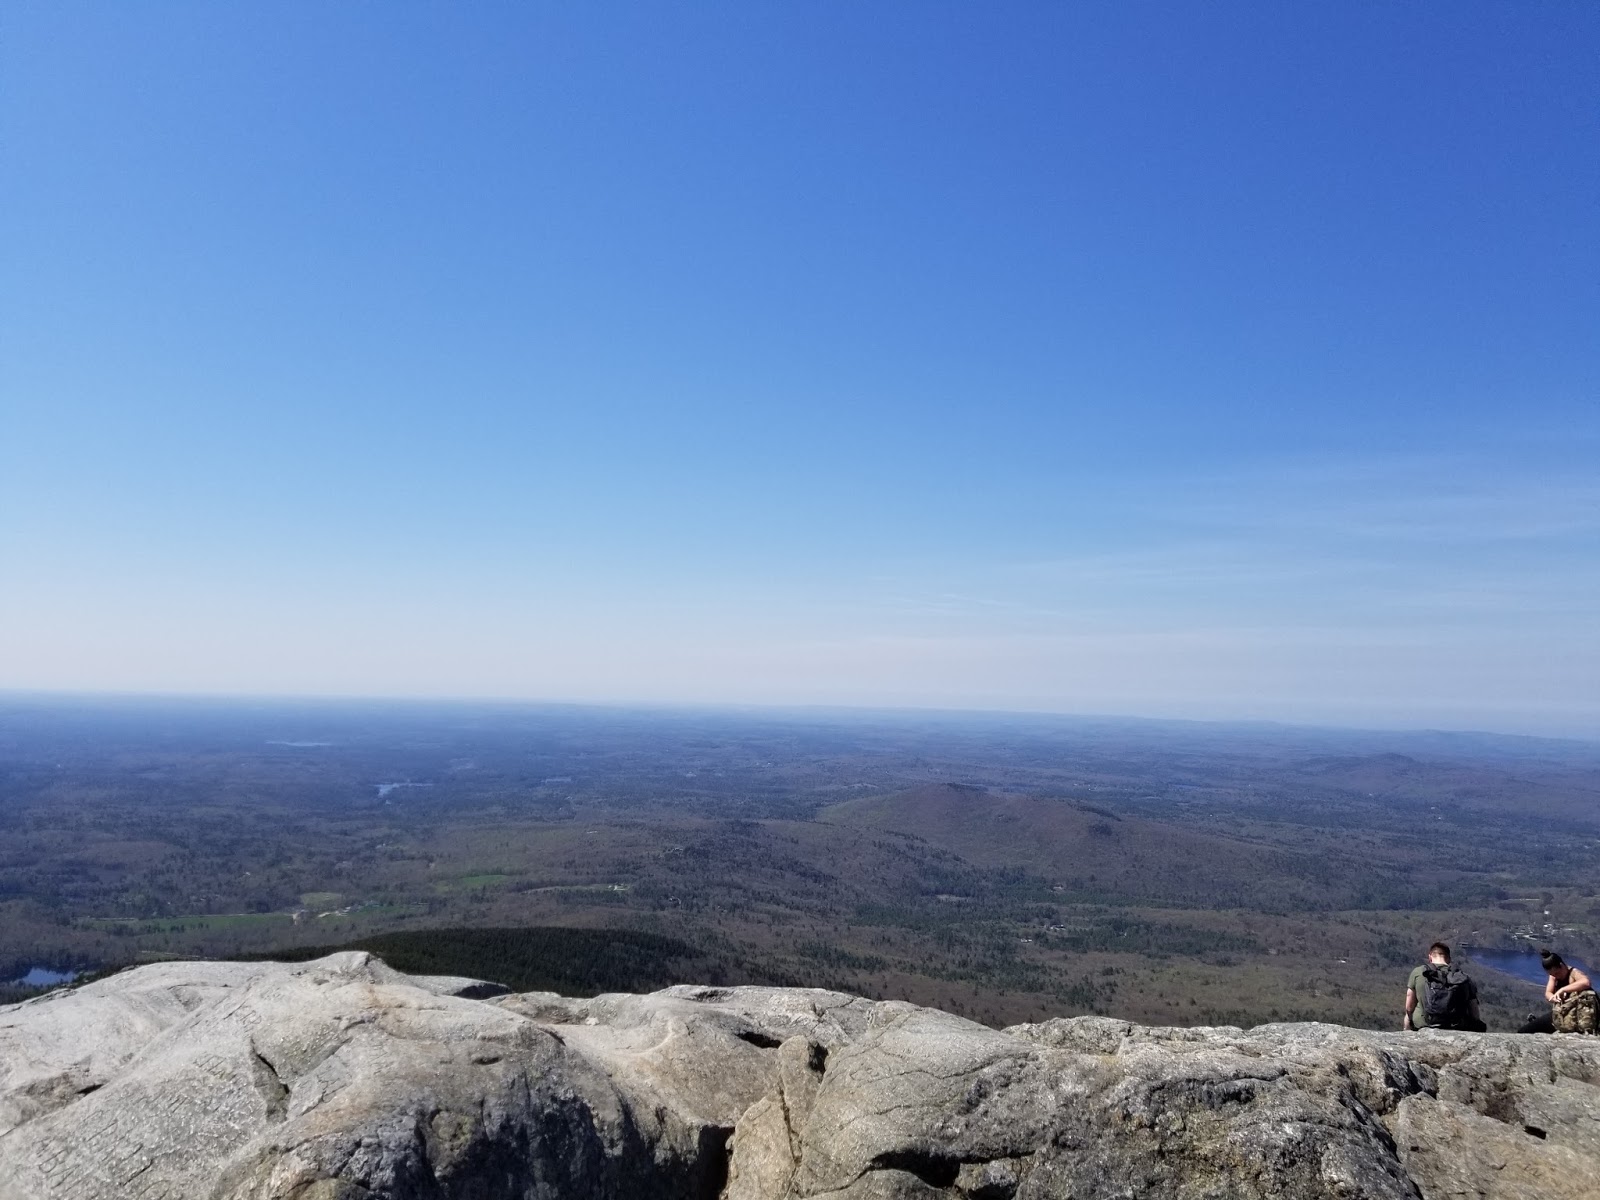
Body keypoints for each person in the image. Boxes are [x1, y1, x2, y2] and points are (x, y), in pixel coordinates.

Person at [1404, 942, 1485, 1032]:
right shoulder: (1464, 978)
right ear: (1448, 959)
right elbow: (1474, 1011)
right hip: (1457, 1027)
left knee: (1408, 1016)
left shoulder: (1419, 972)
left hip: (1424, 1025)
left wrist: (1408, 1024)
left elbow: (1409, 1007)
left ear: (1430, 957)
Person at [1528, 950, 1597, 1034]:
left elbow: (1586, 982)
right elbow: (1548, 993)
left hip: (1578, 1014)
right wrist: (1553, 998)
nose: (1555, 976)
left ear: (1561, 965)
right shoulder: (1553, 976)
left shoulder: (1574, 973)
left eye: (1557, 973)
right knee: (1526, 1030)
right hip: (1561, 1012)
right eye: (1552, 974)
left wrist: (1563, 989)